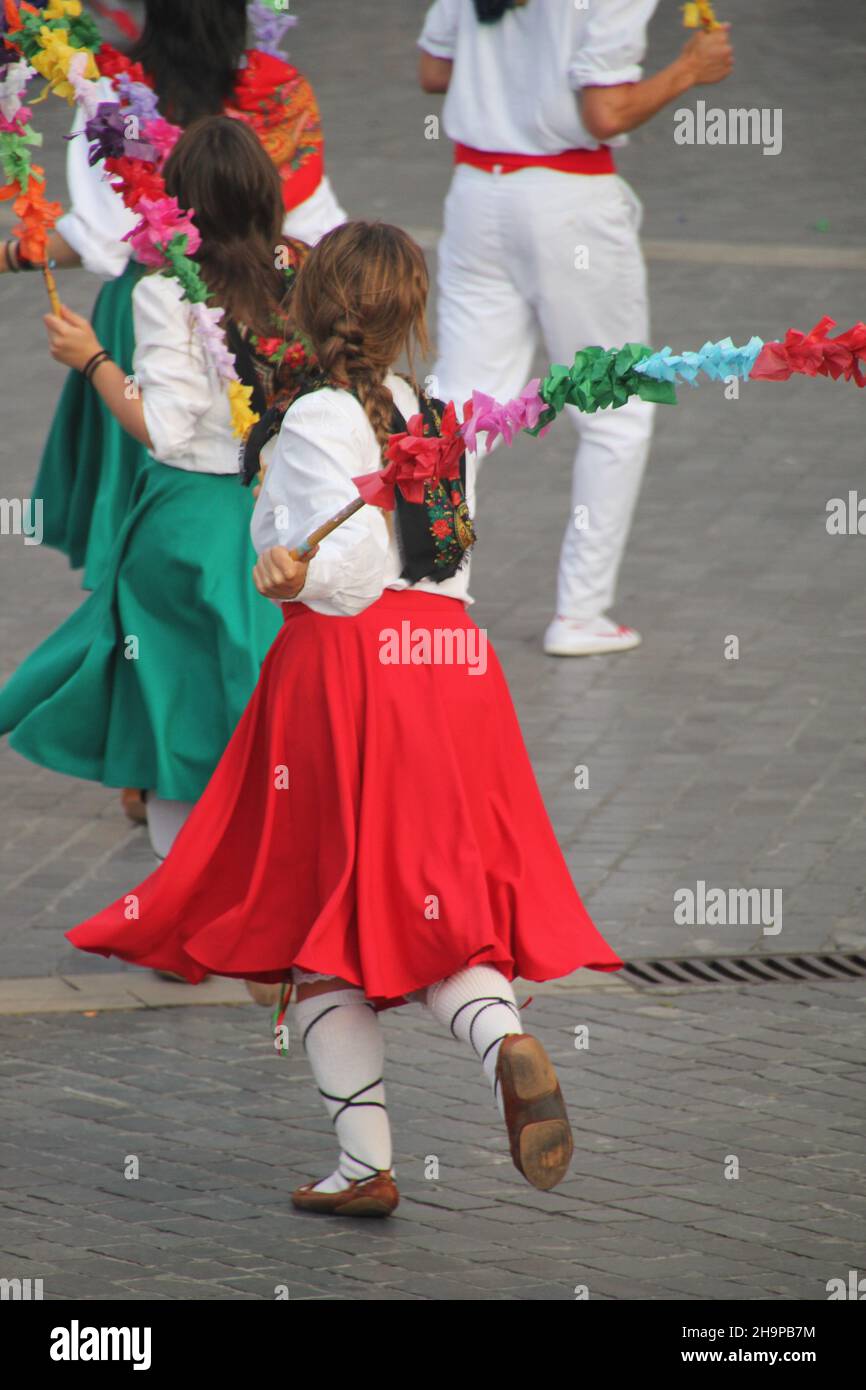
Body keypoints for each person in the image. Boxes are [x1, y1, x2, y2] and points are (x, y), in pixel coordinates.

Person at [67, 221, 623, 1217]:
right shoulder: (436, 414)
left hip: (348, 670)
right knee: (432, 903)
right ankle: (505, 1040)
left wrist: (292, 566)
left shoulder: (317, 416)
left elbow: (347, 568)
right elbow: (445, 562)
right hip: (451, 670)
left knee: (318, 918)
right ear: (409, 317)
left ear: (310, 310)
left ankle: (363, 1160)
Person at [0, 0, 345, 824]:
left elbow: (103, 233)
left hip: (136, 336)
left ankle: (148, 752)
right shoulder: (278, 98)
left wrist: (62, 316)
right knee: (230, 598)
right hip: (255, 352)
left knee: (143, 545)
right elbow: (323, 218)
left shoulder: (118, 92)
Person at [417, 0, 733, 656]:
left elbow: (433, 69)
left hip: (478, 189)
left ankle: (430, 593)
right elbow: (604, 112)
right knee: (617, 409)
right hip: (568, 199)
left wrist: (503, 73)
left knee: (461, 407)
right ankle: (580, 613)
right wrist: (688, 71)